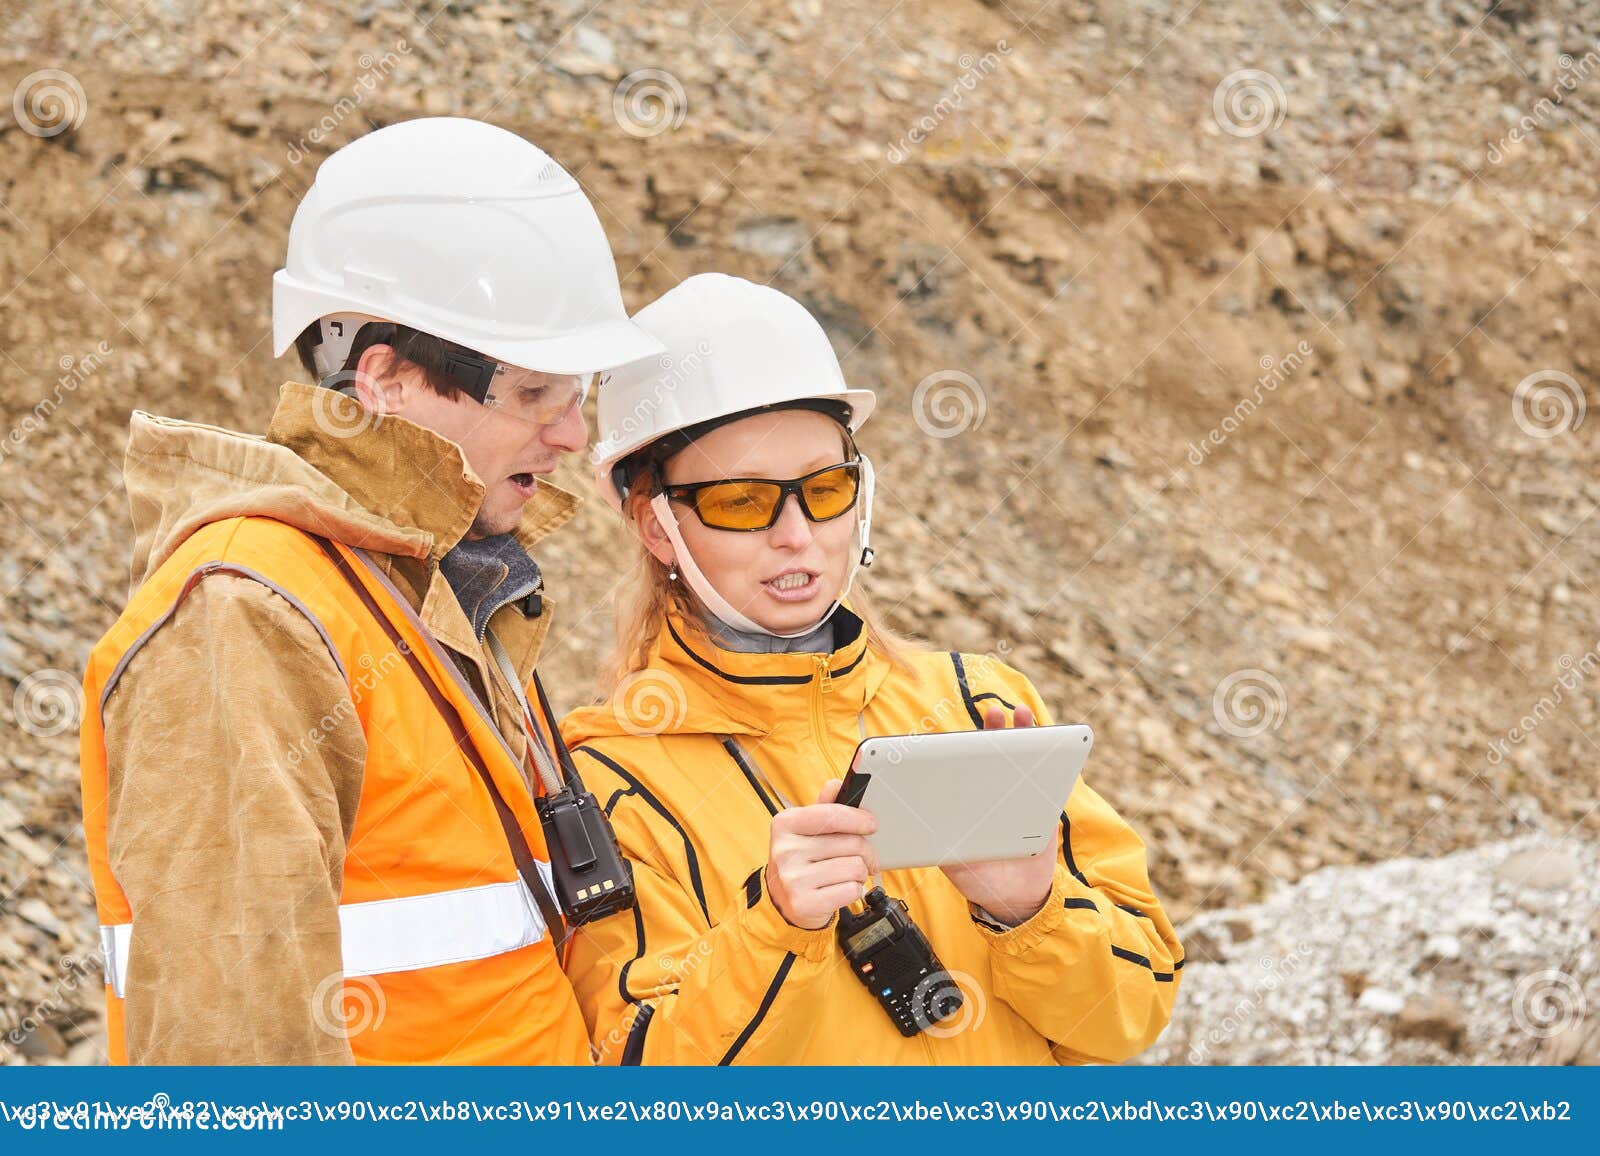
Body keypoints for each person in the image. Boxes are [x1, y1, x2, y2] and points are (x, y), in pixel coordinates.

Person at [77, 117, 663, 1064]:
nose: (570, 437)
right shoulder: (246, 617)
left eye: (579, 394)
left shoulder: (440, 590)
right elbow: (235, 1054)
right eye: (533, 395)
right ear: (386, 380)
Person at [562, 273, 1184, 1065]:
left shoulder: (980, 705)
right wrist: (777, 930)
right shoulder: (609, 781)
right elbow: (635, 1075)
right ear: (656, 527)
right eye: (743, 501)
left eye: (824, 489)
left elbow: (1133, 1018)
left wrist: (1032, 910)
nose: (797, 534)